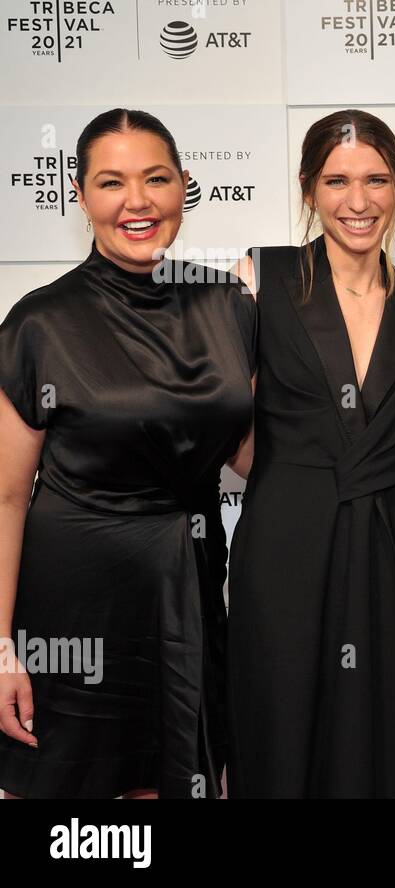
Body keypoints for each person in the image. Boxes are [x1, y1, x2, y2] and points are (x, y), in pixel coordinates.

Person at [0, 109, 255, 798]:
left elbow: (260, 457)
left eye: (156, 178)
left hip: (188, 590)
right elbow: (6, 497)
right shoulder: (39, 322)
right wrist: (0, 650)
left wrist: (378, 473)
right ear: (80, 196)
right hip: (69, 607)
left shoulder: (229, 304)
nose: (136, 201)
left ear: (184, 186)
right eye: (111, 182)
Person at [224, 110, 395, 798]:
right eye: (336, 181)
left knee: (373, 735)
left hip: (389, 546)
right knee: (276, 728)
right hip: (285, 544)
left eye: (376, 180)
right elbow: (229, 429)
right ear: (307, 189)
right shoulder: (259, 278)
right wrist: (292, 480)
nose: (358, 202)